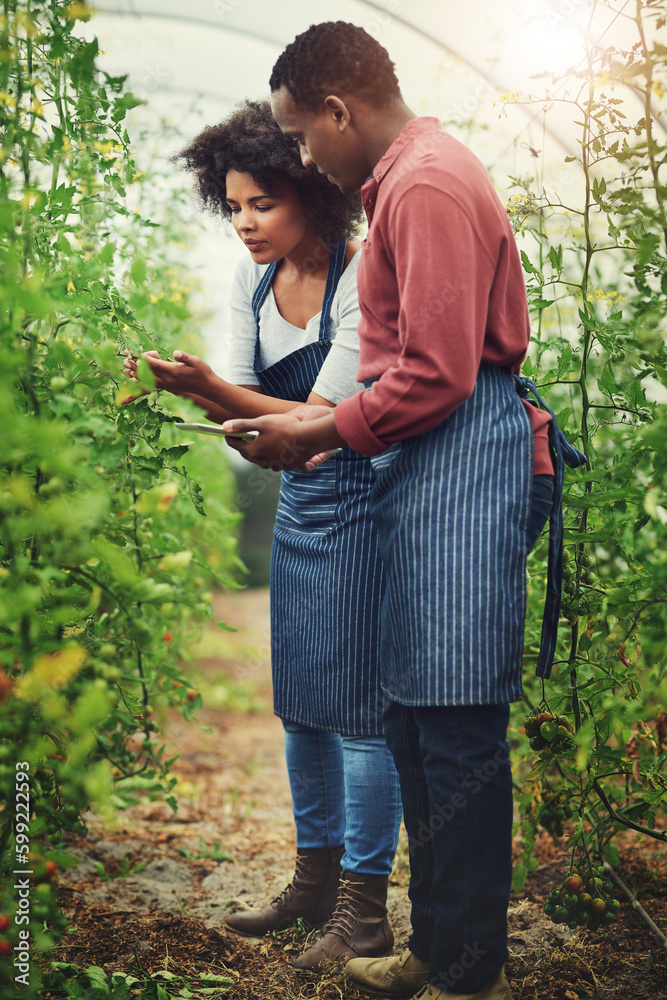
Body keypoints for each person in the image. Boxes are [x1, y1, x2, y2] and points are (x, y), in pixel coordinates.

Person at [221, 23, 585, 1000]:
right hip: (434, 460)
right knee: (420, 715)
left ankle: (465, 962)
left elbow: (433, 370)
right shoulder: (410, 183)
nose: (302, 158)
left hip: (464, 452)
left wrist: (319, 433)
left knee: (455, 713)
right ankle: (437, 943)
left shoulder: (423, 186)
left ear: (339, 112)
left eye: (301, 137)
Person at [122, 99, 403, 971]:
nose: (244, 223)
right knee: (301, 711)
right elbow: (256, 430)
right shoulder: (251, 285)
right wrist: (190, 389)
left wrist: (218, 394)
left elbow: (324, 419)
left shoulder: (364, 278)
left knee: (360, 715)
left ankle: (362, 912)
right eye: (234, 204)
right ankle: (311, 887)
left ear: (313, 197)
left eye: (263, 204)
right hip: (300, 509)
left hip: (362, 509)